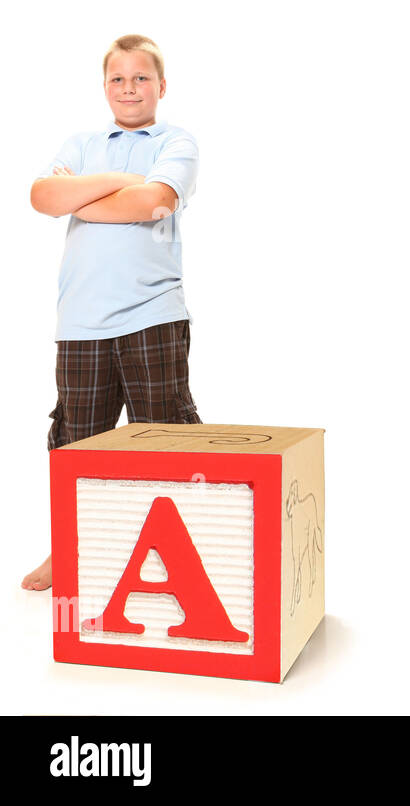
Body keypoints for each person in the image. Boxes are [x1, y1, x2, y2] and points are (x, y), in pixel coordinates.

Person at [21, 35, 201, 591]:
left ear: (161, 86)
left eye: (141, 78)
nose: (130, 88)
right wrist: (121, 183)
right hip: (80, 320)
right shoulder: (81, 142)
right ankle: (65, 548)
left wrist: (87, 198)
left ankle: (187, 554)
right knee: (74, 440)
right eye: (119, 79)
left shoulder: (177, 142)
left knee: (166, 436)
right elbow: (42, 197)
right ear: (105, 87)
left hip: (153, 313)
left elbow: (153, 202)